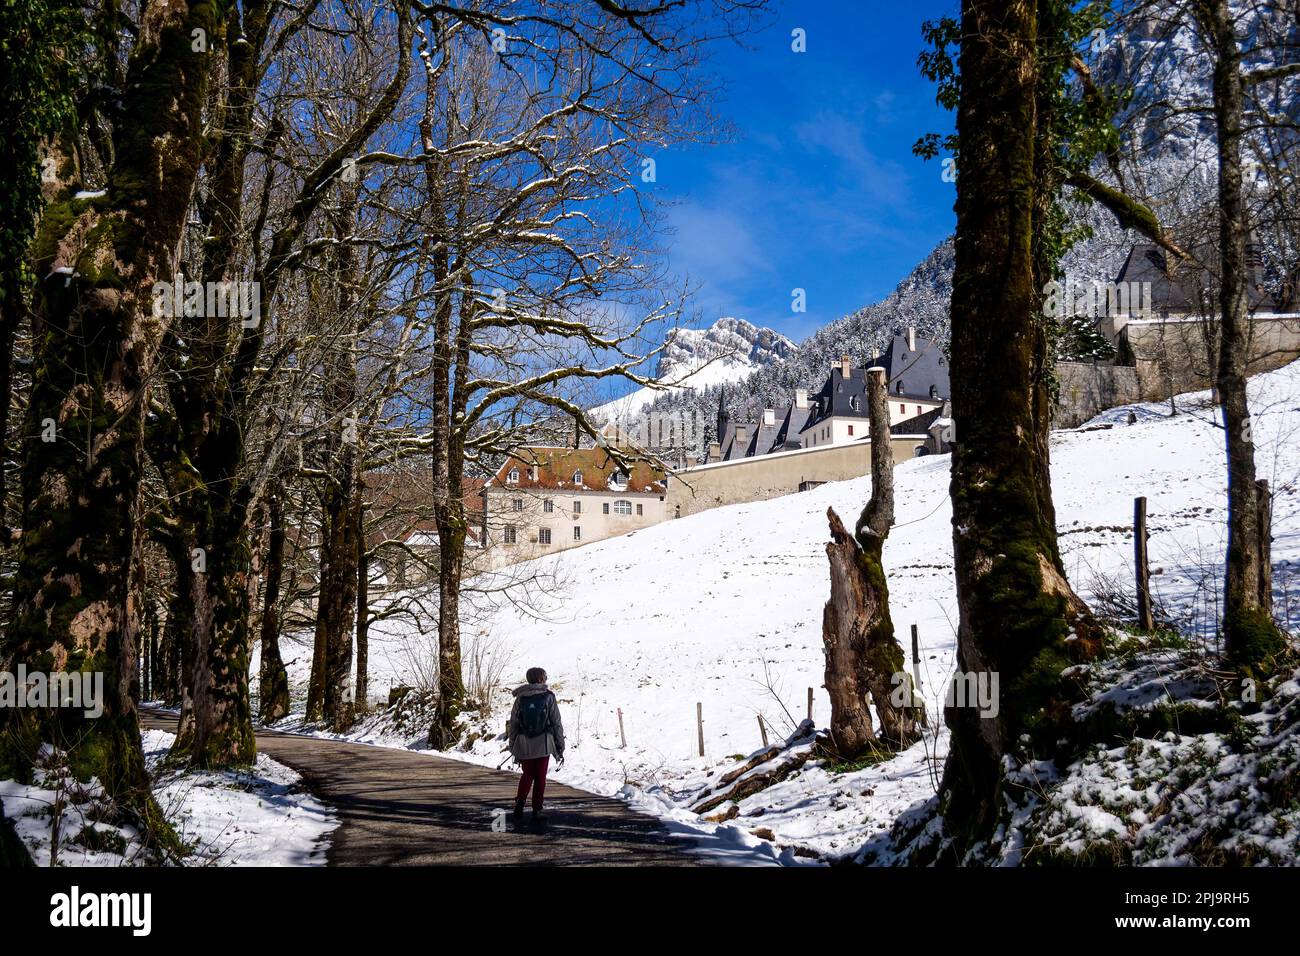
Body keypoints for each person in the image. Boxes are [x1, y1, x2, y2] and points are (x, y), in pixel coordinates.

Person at [506, 667, 565, 822]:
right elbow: (556, 722)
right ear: (540, 679)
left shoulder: (520, 698)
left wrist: (513, 745)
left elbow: (514, 723)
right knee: (540, 778)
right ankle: (537, 809)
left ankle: (520, 802)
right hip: (544, 743)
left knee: (527, 774)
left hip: (524, 743)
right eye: (544, 676)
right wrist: (560, 745)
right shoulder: (548, 697)